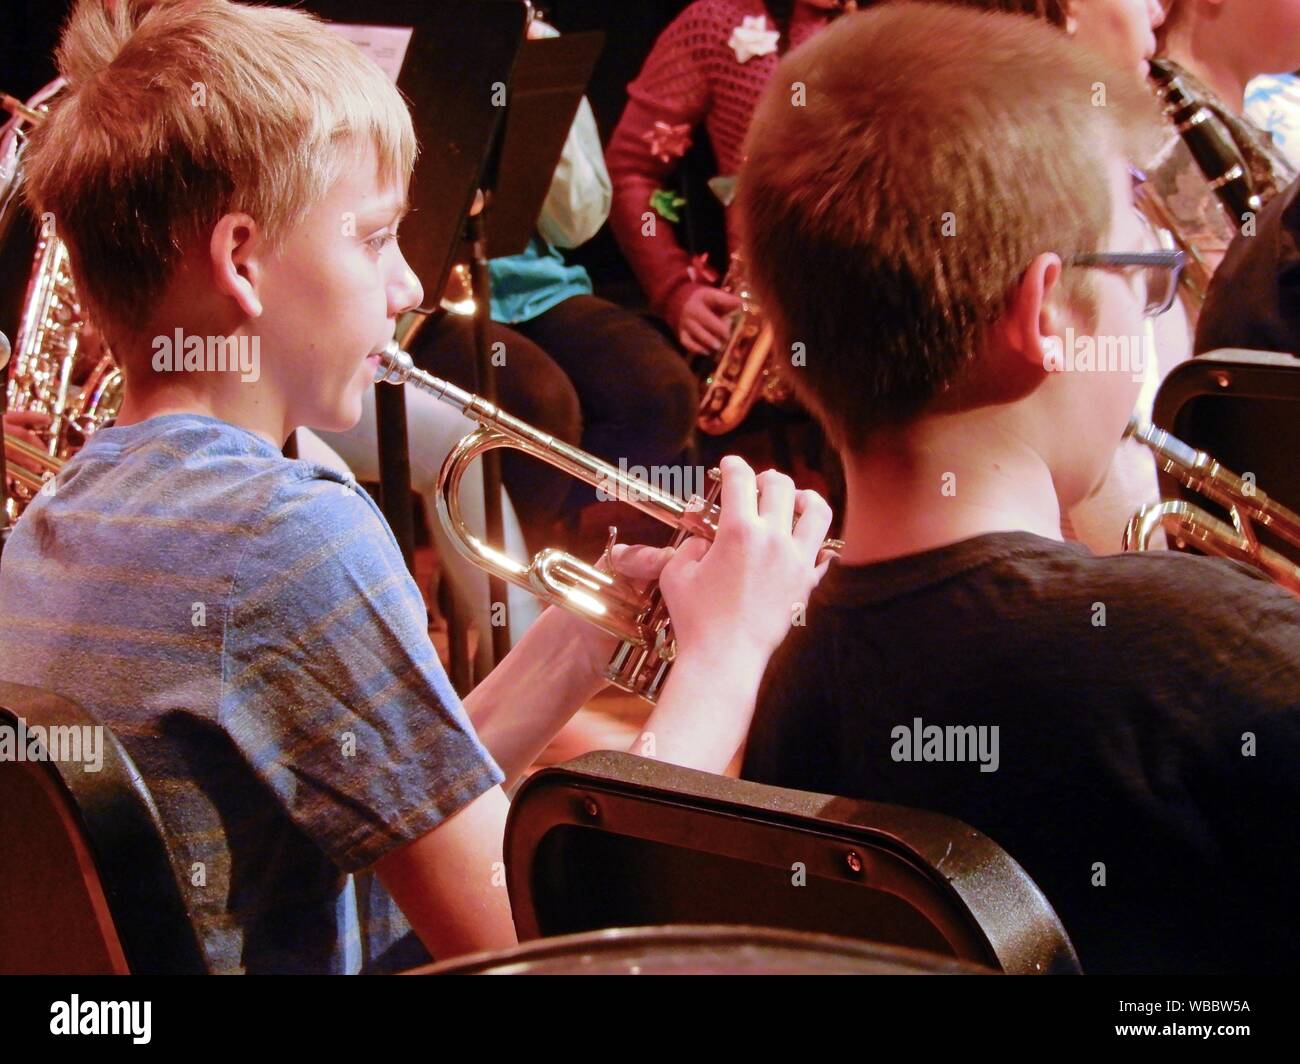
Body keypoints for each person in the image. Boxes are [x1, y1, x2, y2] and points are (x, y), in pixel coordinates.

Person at [0, 0, 831, 973]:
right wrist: (726, 657)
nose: (406, 286)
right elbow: (571, 954)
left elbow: (402, 789)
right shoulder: (283, 534)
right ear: (241, 261)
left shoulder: (60, 508)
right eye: (374, 237)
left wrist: (580, 638)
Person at [733, 2, 1300, 974]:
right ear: (1046, 314)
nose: (1149, 303)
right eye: (1143, 276)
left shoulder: (786, 688)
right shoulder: (1213, 652)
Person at [403, 15, 697, 553]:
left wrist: (540, 97)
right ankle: (514, 589)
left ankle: (534, 537)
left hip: (533, 282)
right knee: (540, 403)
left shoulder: (542, 46)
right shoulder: (391, 35)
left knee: (661, 393)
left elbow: (578, 223)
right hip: (419, 293)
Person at [606, 0, 859, 358]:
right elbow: (631, 171)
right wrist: (673, 287)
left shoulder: (901, 19)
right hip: (771, 316)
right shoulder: (715, 23)